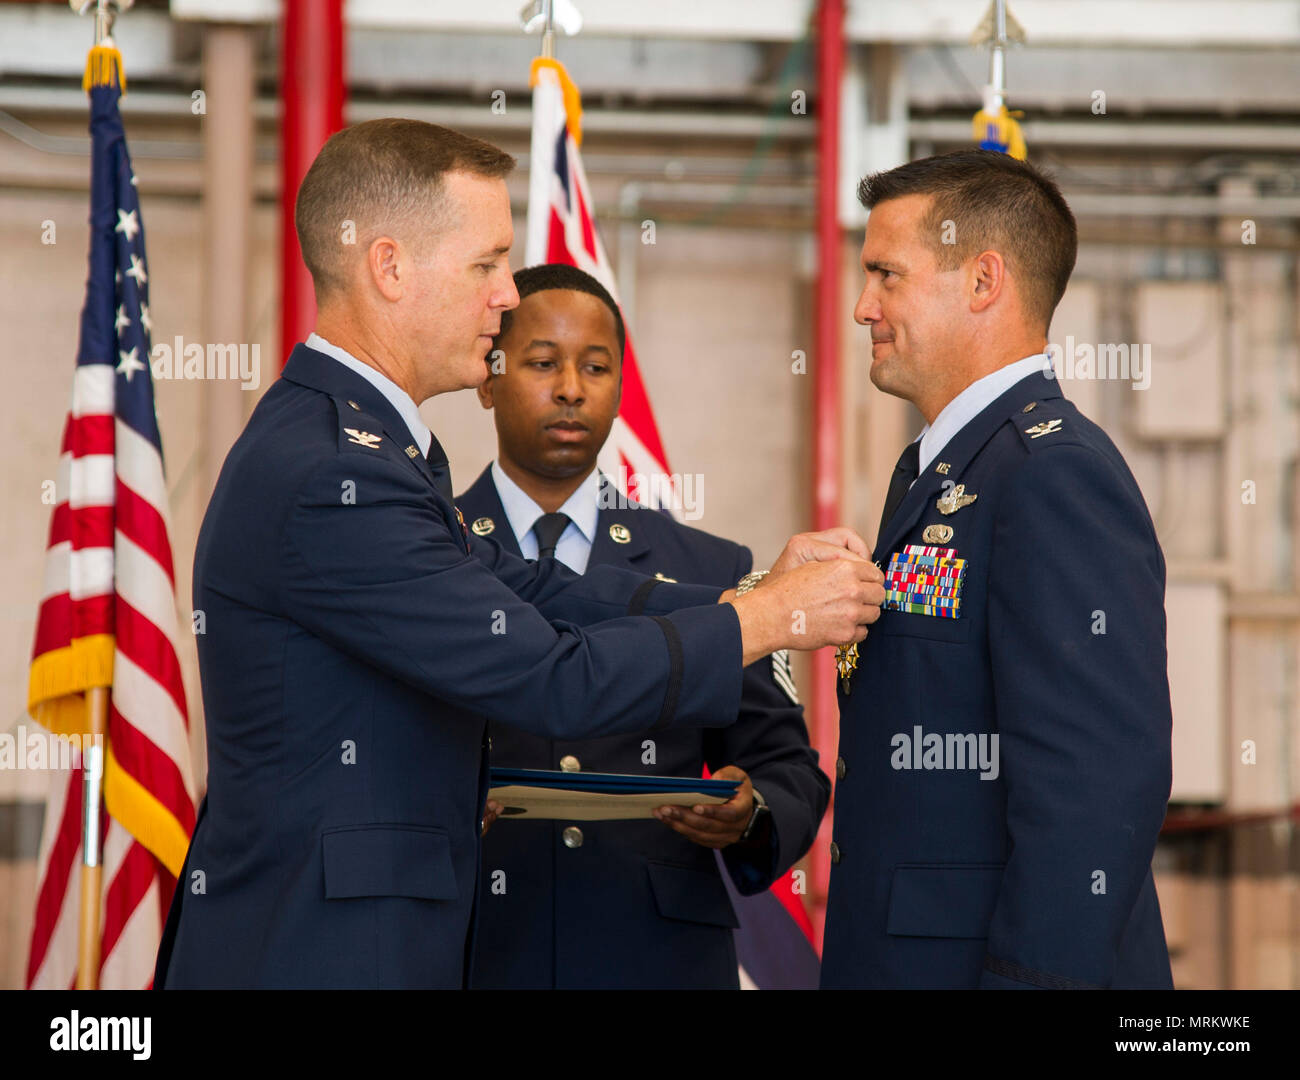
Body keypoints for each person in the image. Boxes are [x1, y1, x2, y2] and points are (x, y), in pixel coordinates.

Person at [153, 119, 884, 990]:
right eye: (486, 264)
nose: (506, 295)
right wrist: (764, 618)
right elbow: (550, 674)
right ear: (389, 268)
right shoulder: (334, 471)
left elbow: (536, 589)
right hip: (320, 952)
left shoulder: (371, 448)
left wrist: (756, 588)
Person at [822, 149, 1174, 990]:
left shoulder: (1053, 474)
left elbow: (1092, 794)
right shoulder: (941, 469)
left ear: (983, 282)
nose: (864, 305)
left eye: (887, 276)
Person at [459, 263, 829, 989]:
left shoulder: (712, 568)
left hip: (657, 955)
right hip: (481, 943)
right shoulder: (436, 552)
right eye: (542, 362)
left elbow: (788, 766)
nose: (571, 387)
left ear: (620, 388)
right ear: (486, 378)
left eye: (596, 367)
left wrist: (749, 811)